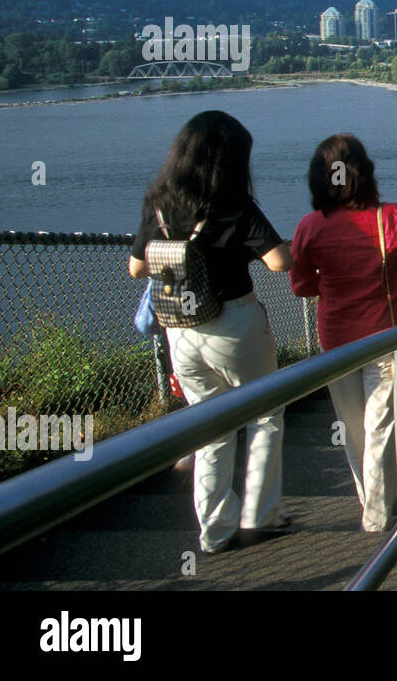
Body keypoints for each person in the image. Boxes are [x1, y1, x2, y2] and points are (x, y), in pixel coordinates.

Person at [128, 110, 293, 555]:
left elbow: (136, 267)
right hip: (234, 323)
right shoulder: (236, 205)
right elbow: (280, 262)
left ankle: (215, 530)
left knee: (210, 428)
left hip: (180, 331)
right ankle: (261, 516)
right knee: (264, 416)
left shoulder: (158, 201)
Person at [290, 134, 397, 532]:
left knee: (353, 428)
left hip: (335, 339)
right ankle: (378, 513)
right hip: (384, 337)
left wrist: (337, 284)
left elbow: (300, 286)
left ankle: (371, 502)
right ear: (366, 172)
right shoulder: (391, 218)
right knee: (380, 426)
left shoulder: (309, 227)